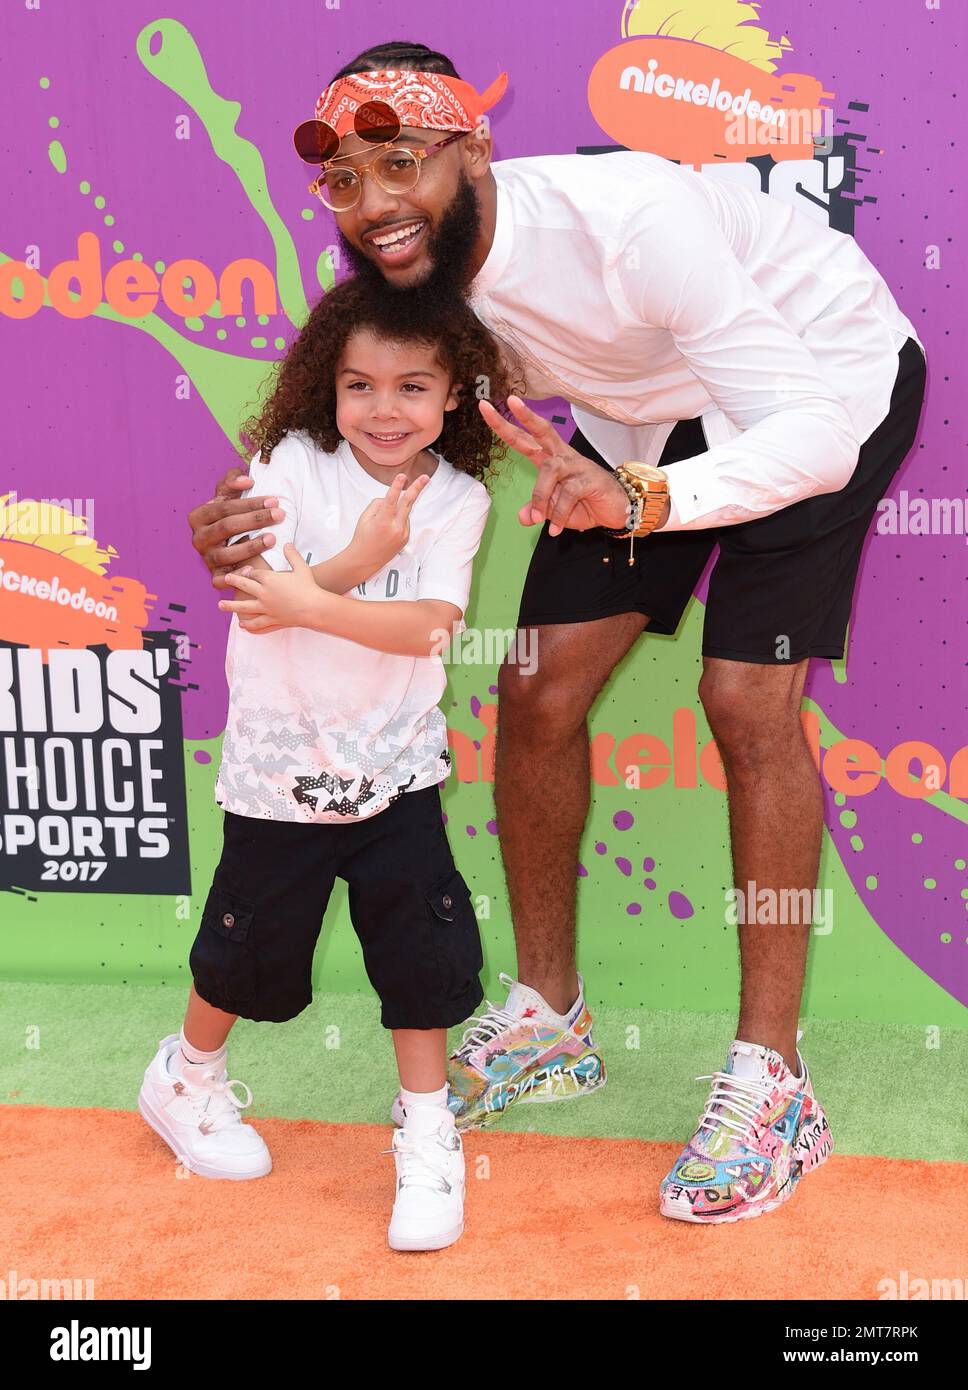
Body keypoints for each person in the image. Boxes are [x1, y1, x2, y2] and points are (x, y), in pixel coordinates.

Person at [188, 41, 927, 1224]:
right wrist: (246, 517)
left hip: (818, 387)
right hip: (650, 417)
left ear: (473, 147)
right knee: (535, 686)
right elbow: (366, 426)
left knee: (743, 700)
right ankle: (549, 1013)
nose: (376, 204)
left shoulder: (628, 221)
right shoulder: (413, 283)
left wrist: (639, 498)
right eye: (345, 181)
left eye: (403, 164)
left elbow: (808, 437)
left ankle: (772, 1081)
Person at [140, 271, 519, 1251]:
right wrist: (346, 569)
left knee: (422, 953)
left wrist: (310, 597)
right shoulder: (287, 465)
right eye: (359, 385)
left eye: (411, 386)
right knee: (245, 951)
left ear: (452, 394)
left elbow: (425, 629)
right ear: (326, 385)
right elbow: (254, 589)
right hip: (278, 778)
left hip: (396, 774)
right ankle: (184, 1079)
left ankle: (427, 1130)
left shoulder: (460, 499)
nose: (384, 409)